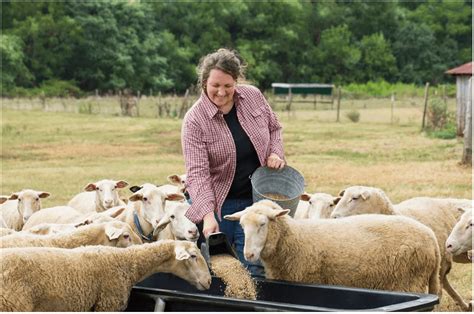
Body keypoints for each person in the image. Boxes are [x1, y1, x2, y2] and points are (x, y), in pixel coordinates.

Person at [181, 48, 285, 276]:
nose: (221, 92)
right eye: (215, 85)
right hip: (220, 205)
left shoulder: (253, 97)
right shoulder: (194, 121)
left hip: (256, 201)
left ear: (236, 81)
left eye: (228, 86)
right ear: (204, 82)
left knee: (255, 265)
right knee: (223, 269)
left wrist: (275, 153)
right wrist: (208, 216)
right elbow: (198, 174)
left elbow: (274, 128)